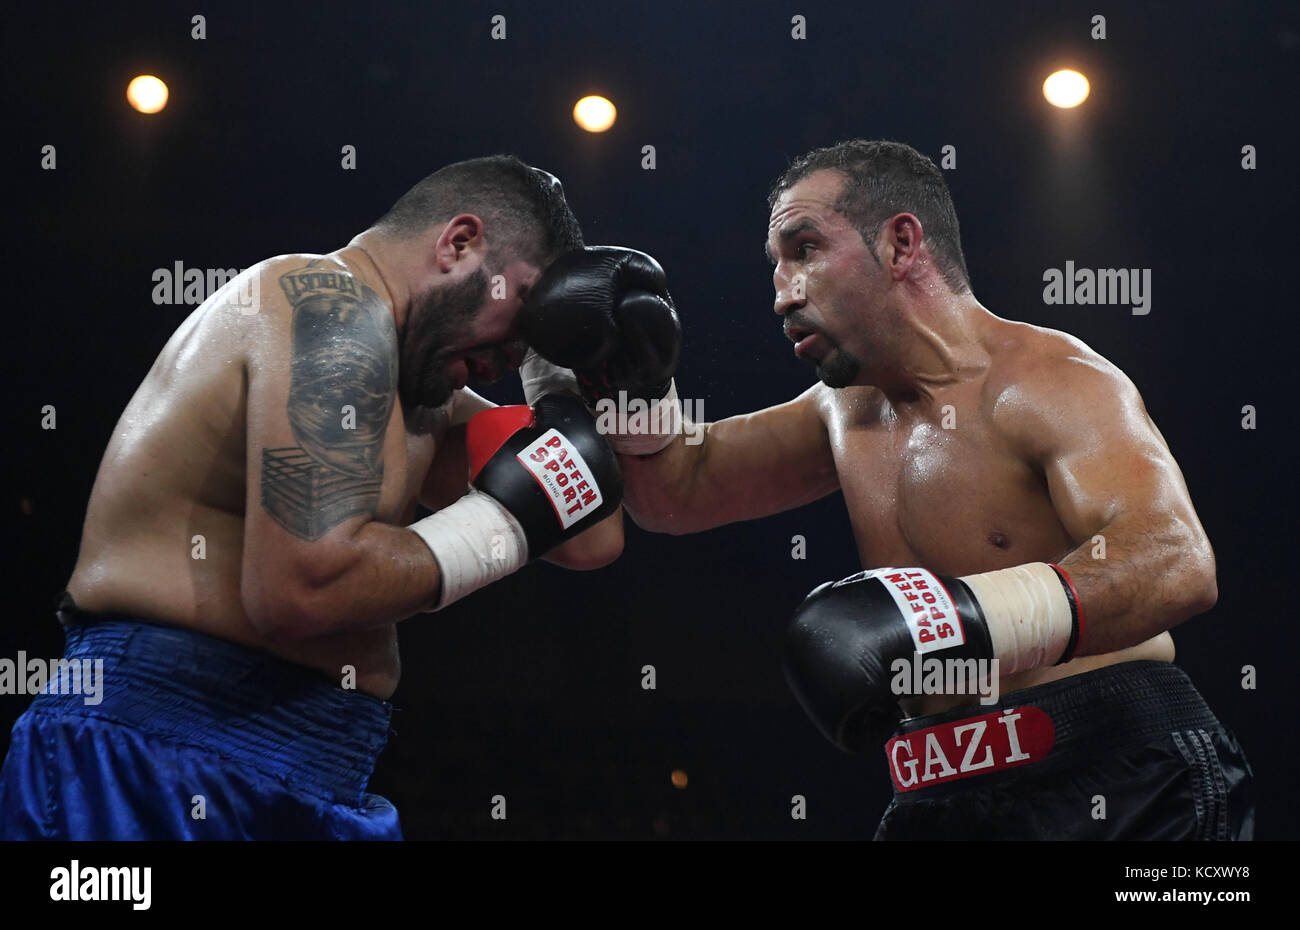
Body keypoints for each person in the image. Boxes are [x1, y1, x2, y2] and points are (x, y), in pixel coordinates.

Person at [518, 140, 1254, 840]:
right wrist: (634, 386)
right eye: (774, 265)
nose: (781, 294)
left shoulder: (1049, 381)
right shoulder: (844, 409)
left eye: (804, 251)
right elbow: (681, 490)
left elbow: (1177, 563)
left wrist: (962, 615)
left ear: (903, 243)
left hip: (1123, 779)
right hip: (934, 790)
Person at [0, 155, 625, 840]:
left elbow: (588, 532)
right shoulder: (331, 308)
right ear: (458, 243)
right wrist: (496, 524)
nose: (514, 348)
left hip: (313, 766)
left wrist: (557, 372)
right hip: (155, 758)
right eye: (523, 306)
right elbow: (301, 590)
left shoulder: (423, 395)